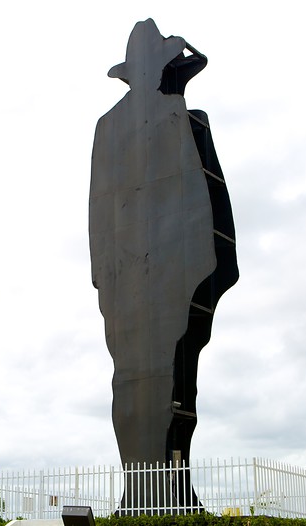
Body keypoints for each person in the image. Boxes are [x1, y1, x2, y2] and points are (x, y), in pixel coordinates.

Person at [89, 18, 239, 513]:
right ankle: (146, 495)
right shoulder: (155, 119)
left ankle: (168, 493)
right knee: (146, 382)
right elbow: (99, 210)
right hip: (157, 276)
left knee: (175, 387)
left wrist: (101, 278)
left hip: (163, 275)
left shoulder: (176, 117)